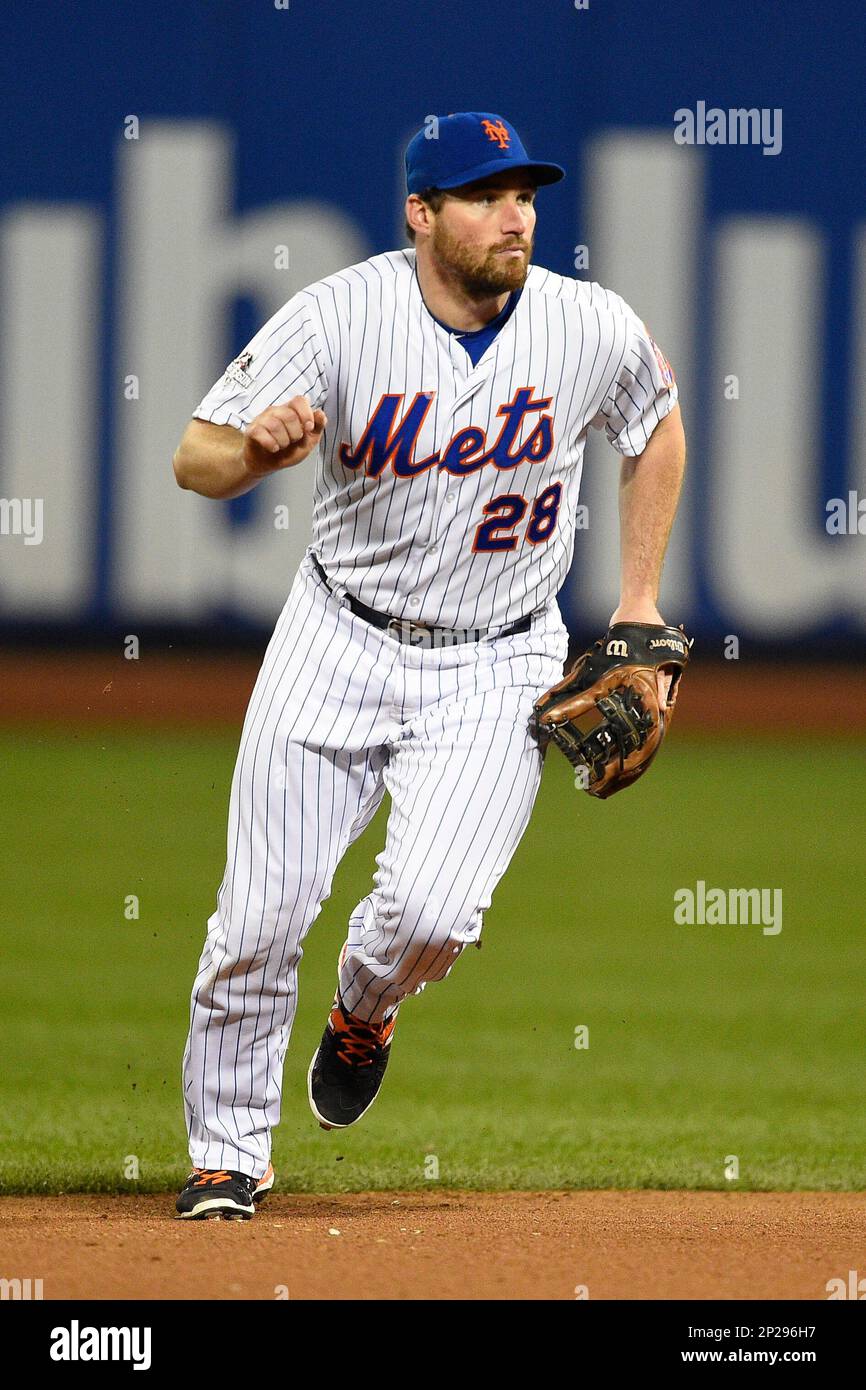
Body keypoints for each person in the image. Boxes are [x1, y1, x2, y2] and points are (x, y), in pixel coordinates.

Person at [171, 112, 685, 1220]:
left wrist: (636, 597)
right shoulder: (341, 315)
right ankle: (227, 1153)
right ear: (420, 213)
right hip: (335, 637)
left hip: (497, 662)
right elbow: (193, 453)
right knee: (257, 921)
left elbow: (655, 423)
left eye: (525, 194)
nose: (515, 215)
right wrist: (254, 452)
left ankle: (364, 1004)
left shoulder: (582, 322)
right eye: (483, 195)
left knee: (435, 915)